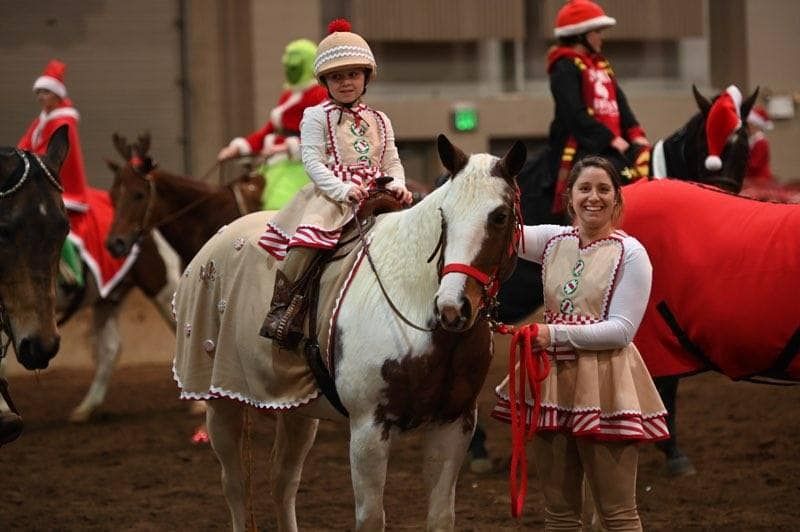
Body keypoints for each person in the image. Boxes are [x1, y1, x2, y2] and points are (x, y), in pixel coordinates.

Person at [492, 156, 668, 531]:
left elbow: (621, 330)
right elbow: (496, 227)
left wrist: (549, 334)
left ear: (617, 199)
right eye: (584, 188)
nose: (594, 197)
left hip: (605, 383)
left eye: (604, 189)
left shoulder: (631, 254)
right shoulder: (554, 240)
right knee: (559, 514)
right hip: (552, 382)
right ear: (569, 197)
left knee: (618, 514)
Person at [258, 19, 412, 346]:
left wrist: (398, 183)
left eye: (353, 75)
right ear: (325, 81)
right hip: (334, 196)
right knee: (303, 247)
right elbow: (312, 161)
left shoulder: (381, 120)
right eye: (337, 77)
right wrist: (342, 189)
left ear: (365, 77)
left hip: (378, 192)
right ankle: (283, 308)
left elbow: (392, 160)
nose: (346, 83)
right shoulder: (315, 116)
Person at [546, 0, 650, 211]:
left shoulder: (602, 66)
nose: (601, 38)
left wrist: (636, 135)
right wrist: (610, 139)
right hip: (582, 145)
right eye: (597, 32)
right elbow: (575, 115)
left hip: (613, 145)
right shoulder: (563, 66)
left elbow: (621, 106)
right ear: (580, 34)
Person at [217, 38, 328, 210]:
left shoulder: (321, 95)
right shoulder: (288, 95)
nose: (291, 68)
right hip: (272, 165)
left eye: (296, 64)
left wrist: (284, 148)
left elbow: (323, 135)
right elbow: (268, 131)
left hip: (301, 167)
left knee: (278, 205)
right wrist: (238, 148)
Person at [18, 59, 90, 213]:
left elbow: (51, 154)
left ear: (57, 95)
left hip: (56, 183)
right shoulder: (41, 120)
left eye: (46, 92)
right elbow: (25, 144)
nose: (41, 97)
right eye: (38, 92)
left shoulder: (63, 123)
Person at [745, 104, 774, 181]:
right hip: (753, 178)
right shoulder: (752, 140)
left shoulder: (761, 142)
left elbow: (755, 164)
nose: (747, 127)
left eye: (749, 124)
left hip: (760, 179)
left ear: (756, 125)